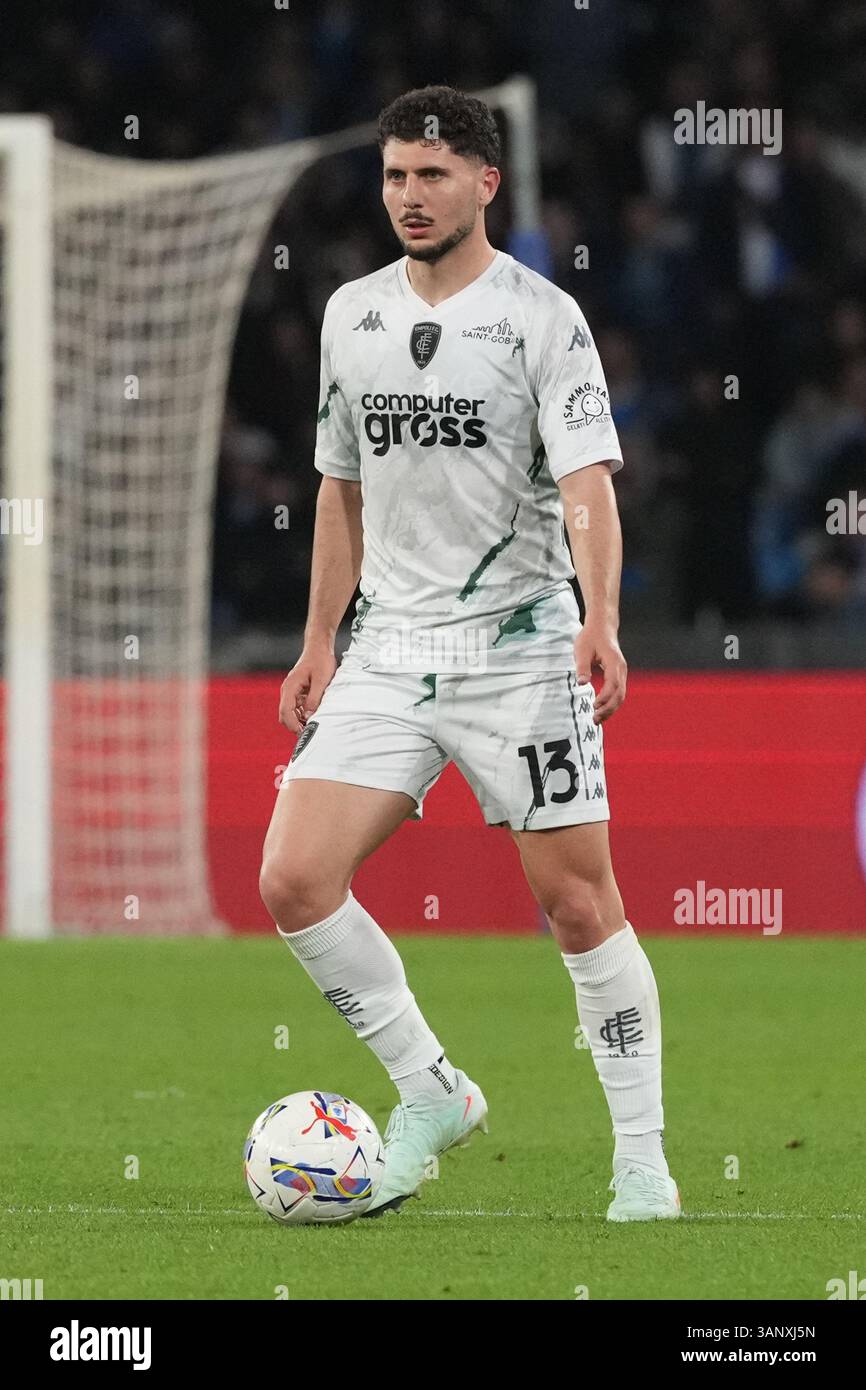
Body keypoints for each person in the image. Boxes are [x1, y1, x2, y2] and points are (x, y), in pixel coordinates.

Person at [259, 85, 680, 1222]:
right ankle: (430, 1090)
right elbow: (337, 491)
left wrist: (599, 617)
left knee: (580, 908)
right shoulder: (349, 314)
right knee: (293, 880)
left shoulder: (543, 319)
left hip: (520, 648)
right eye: (395, 175)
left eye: (431, 175)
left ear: (483, 184)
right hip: (389, 648)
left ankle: (638, 1158)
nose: (409, 195)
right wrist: (319, 642)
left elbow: (588, 489)